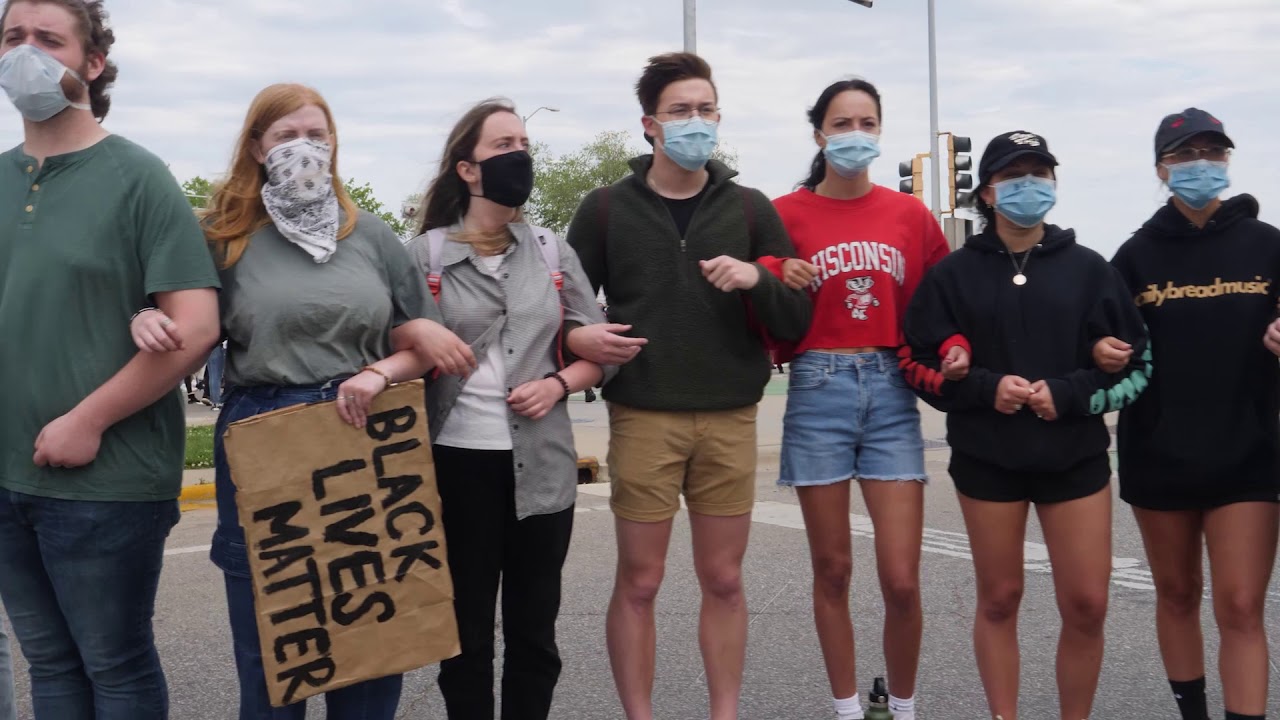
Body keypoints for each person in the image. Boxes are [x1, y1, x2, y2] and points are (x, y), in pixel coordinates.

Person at [132, 83, 473, 720]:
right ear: (257, 147)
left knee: (373, 638)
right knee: (273, 642)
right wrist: (142, 316)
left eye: (317, 135)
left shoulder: (370, 236)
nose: (304, 149)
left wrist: (378, 373)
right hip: (268, 433)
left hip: (368, 435)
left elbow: (418, 342)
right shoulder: (220, 238)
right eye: (287, 137)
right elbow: (170, 311)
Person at [565, 52, 812, 720]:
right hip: (644, 416)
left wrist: (759, 278)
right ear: (650, 124)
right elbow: (565, 306)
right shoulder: (606, 209)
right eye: (680, 111)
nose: (695, 122)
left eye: (706, 109)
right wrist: (577, 338)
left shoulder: (753, 209)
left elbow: (798, 313)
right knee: (640, 582)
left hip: (731, 416)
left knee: (725, 579)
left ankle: (723, 712)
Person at [0, 1, 222, 718]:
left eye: (47, 39)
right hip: (6, 481)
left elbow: (196, 327)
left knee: (115, 668)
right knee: (50, 667)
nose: (25, 53)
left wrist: (87, 420)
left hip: (107, 486)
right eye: (12, 37)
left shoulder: (138, 176)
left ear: (92, 64)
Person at [902, 131, 1151, 720]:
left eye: (1041, 173)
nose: (1029, 185)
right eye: (1014, 175)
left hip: (1076, 460)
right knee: (999, 598)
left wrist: (1068, 394)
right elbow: (915, 361)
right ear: (986, 191)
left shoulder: (1091, 270)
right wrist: (986, 386)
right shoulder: (953, 275)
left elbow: (1139, 364)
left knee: (1088, 603)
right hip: (988, 461)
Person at [404, 98, 613, 720]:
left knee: (534, 634)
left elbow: (597, 351)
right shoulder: (427, 256)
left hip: (543, 467)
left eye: (524, 143)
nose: (519, 155)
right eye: (503, 145)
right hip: (457, 463)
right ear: (468, 169)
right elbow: (393, 338)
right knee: (465, 635)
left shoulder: (551, 252)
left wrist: (558, 383)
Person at [758, 78, 951, 720]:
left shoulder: (909, 216)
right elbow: (758, 302)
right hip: (817, 384)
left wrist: (953, 346)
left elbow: (939, 304)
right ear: (819, 134)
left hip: (892, 390)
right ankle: (845, 708)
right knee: (833, 568)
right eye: (842, 124)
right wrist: (776, 275)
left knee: (900, 577)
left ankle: (903, 705)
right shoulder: (784, 215)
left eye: (867, 122)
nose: (855, 134)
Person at [1094, 108, 1280, 720]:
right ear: (1161, 169)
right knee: (1176, 594)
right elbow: (1103, 345)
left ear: (1227, 161)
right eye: (1184, 154)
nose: (1200, 164)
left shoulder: (1268, 244)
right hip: (1160, 452)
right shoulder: (1134, 256)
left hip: (1250, 451)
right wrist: (1101, 352)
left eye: (1212, 152)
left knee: (1240, 603)